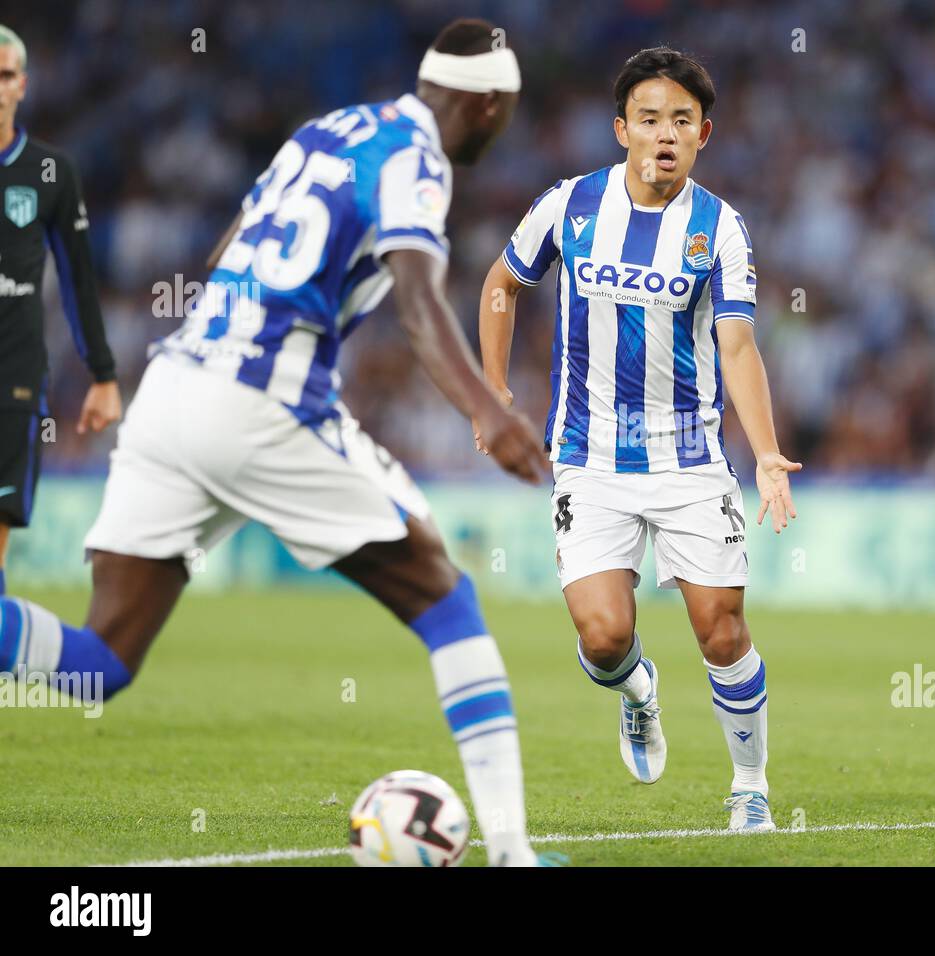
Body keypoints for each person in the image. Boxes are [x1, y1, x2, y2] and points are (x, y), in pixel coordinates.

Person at [0, 18, 554, 867]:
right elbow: (418, 300)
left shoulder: (326, 131)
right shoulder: (416, 159)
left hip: (175, 390)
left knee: (98, 661)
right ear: (488, 104)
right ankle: (514, 855)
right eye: (507, 113)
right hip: (262, 403)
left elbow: (228, 250)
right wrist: (487, 408)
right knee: (448, 603)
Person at [476, 46, 799, 831]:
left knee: (721, 629)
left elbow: (737, 346)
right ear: (622, 128)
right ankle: (636, 692)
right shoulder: (570, 206)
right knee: (604, 634)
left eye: (681, 122)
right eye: (650, 119)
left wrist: (765, 455)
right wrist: (491, 392)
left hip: (690, 460)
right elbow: (500, 285)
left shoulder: (720, 228)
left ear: (703, 135)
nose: (665, 134)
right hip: (588, 459)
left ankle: (749, 783)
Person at [0, 24, 121, 595]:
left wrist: (103, 375)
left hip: (13, 376)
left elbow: (78, 280)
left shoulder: (50, 173)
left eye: (5, 75)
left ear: (23, 84)